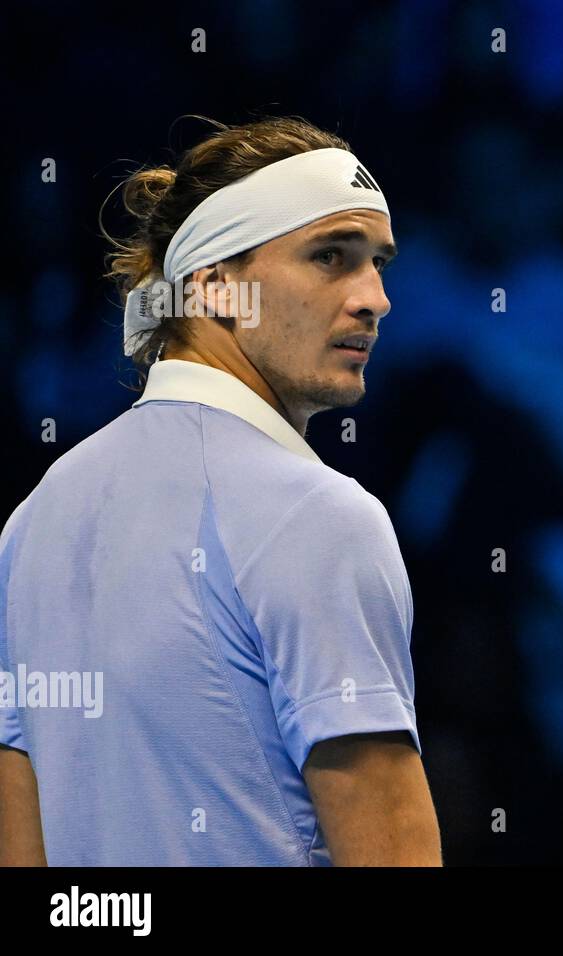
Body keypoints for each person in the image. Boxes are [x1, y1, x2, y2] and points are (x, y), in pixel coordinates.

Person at [0, 115, 442, 865]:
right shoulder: (322, 517)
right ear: (214, 286)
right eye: (331, 257)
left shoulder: (34, 517)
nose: (375, 298)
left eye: (378, 264)